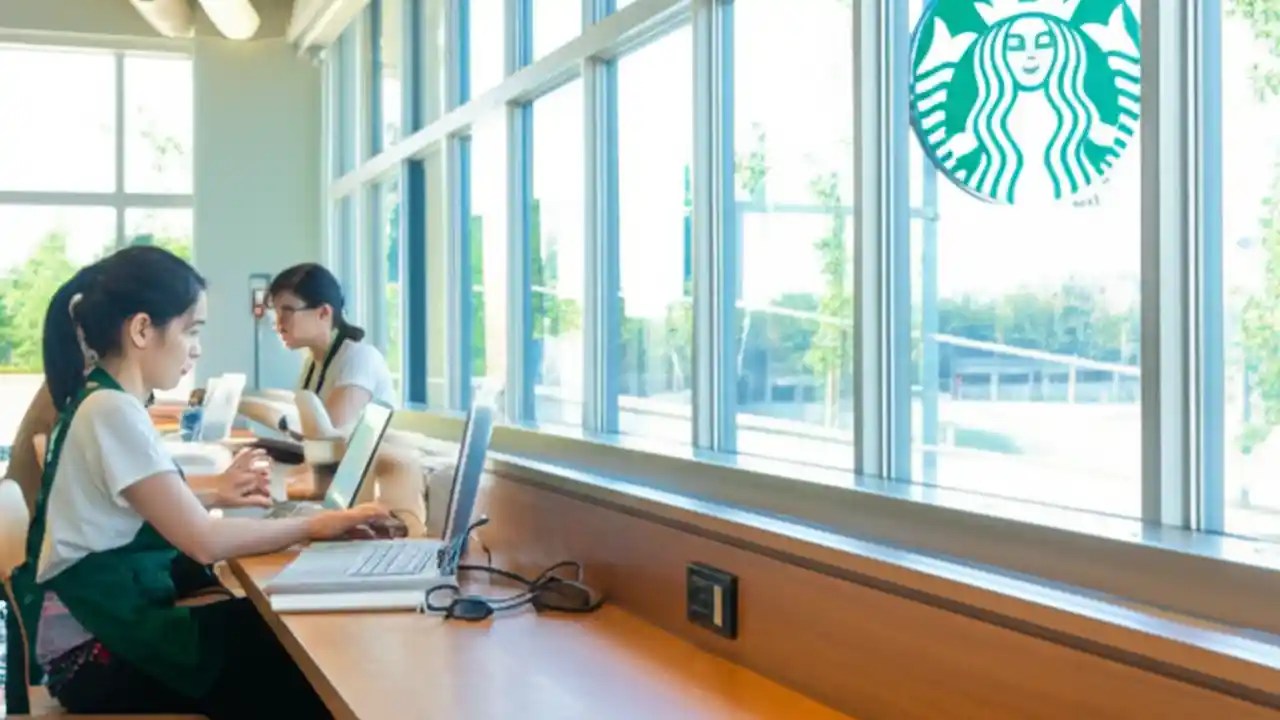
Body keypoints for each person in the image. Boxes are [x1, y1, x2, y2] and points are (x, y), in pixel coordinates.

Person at [12, 246, 387, 719]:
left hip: (99, 627)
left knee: (282, 635)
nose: (197, 348)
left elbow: (135, 503)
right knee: (303, 662)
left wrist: (215, 494)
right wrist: (318, 525)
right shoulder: (110, 410)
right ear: (143, 329)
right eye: (192, 330)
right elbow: (206, 542)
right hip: (96, 652)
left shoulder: (102, 400)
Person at [268, 263, 396, 431]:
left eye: (287, 313)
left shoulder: (360, 358)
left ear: (324, 313)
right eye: (275, 314)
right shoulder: (312, 363)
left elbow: (330, 437)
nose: (278, 325)